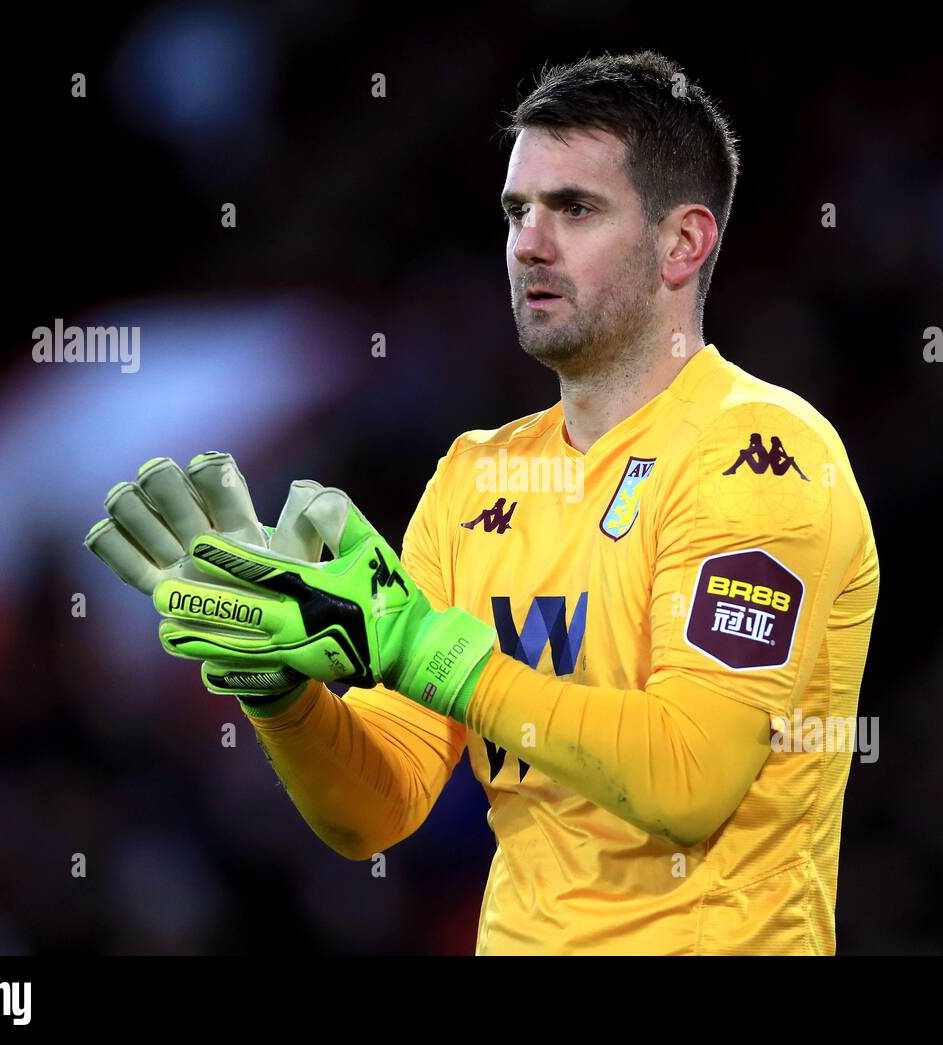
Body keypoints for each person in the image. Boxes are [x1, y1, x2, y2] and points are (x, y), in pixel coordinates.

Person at [89, 51, 879, 955]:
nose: (530, 243)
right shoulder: (477, 478)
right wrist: (282, 691)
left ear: (683, 243)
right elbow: (374, 810)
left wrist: (425, 646)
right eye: (517, 211)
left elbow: (689, 778)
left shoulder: (763, 455)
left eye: (574, 209)